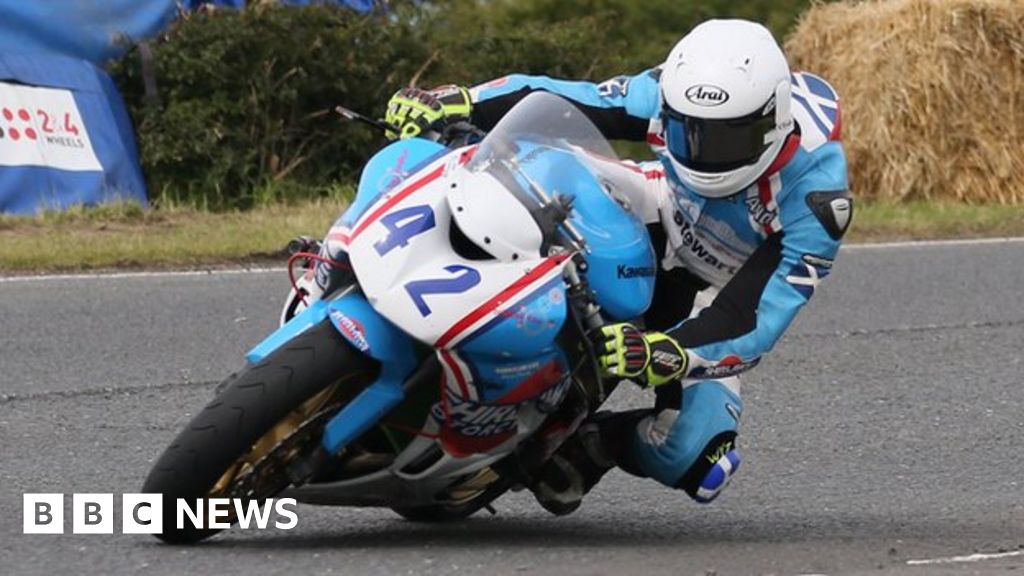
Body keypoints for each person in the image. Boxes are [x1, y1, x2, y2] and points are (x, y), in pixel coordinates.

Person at [377, 18, 851, 513]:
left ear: (773, 121)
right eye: (688, 134)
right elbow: (565, 99)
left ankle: (591, 444)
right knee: (525, 160)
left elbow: (755, 315)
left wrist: (663, 351)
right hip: (654, 203)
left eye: (725, 139)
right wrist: (460, 100)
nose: (703, 153)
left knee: (697, 457)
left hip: (715, 292)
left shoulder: (817, 199)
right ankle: (379, 260)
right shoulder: (671, 93)